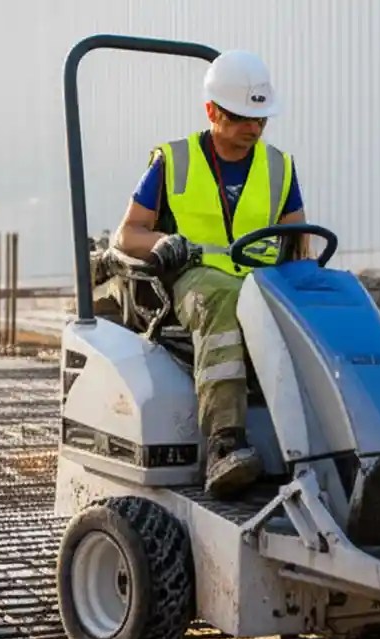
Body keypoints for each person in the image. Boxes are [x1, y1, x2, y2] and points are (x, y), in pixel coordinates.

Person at [113, 49, 307, 500]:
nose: (253, 129)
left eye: (261, 119)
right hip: (197, 278)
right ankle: (224, 445)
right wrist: (162, 243)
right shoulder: (173, 161)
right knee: (224, 300)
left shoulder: (279, 167)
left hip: (262, 281)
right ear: (211, 112)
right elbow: (128, 234)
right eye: (242, 118)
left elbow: (299, 243)